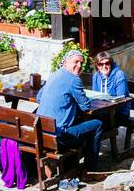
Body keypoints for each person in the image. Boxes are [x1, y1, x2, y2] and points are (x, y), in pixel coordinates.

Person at [35, 49, 101, 179]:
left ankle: (73, 163)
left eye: (81, 63)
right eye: (76, 62)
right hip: (59, 137)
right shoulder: (74, 80)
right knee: (97, 124)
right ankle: (90, 169)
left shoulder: (54, 74)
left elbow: (38, 97)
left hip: (41, 135)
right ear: (65, 62)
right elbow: (85, 106)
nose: (79, 66)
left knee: (79, 122)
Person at [91, 50, 134, 144]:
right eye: (100, 64)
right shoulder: (96, 76)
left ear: (111, 63)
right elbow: (95, 96)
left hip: (119, 113)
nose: (104, 66)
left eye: (107, 63)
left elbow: (121, 100)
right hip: (103, 111)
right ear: (97, 66)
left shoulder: (119, 75)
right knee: (86, 122)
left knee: (96, 126)